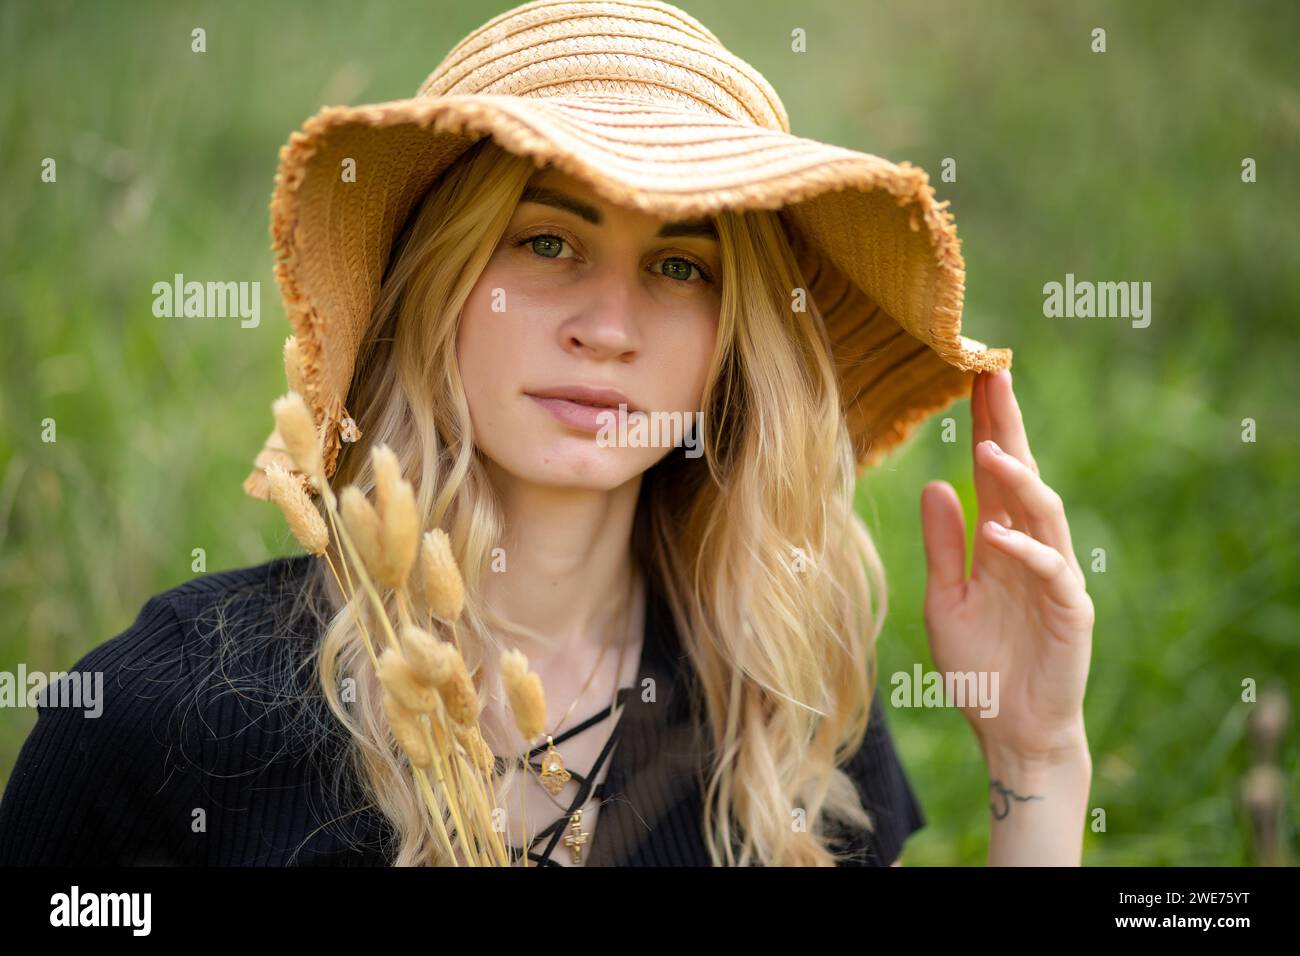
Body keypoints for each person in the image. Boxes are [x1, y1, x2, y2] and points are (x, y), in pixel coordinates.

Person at [0, 0, 1093, 867]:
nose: (607, 328)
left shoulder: (783, 712)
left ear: (732, 344)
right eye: (545, 242)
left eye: (679, 265)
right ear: (435, 284)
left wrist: (1035, 759)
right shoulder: (170, 712)